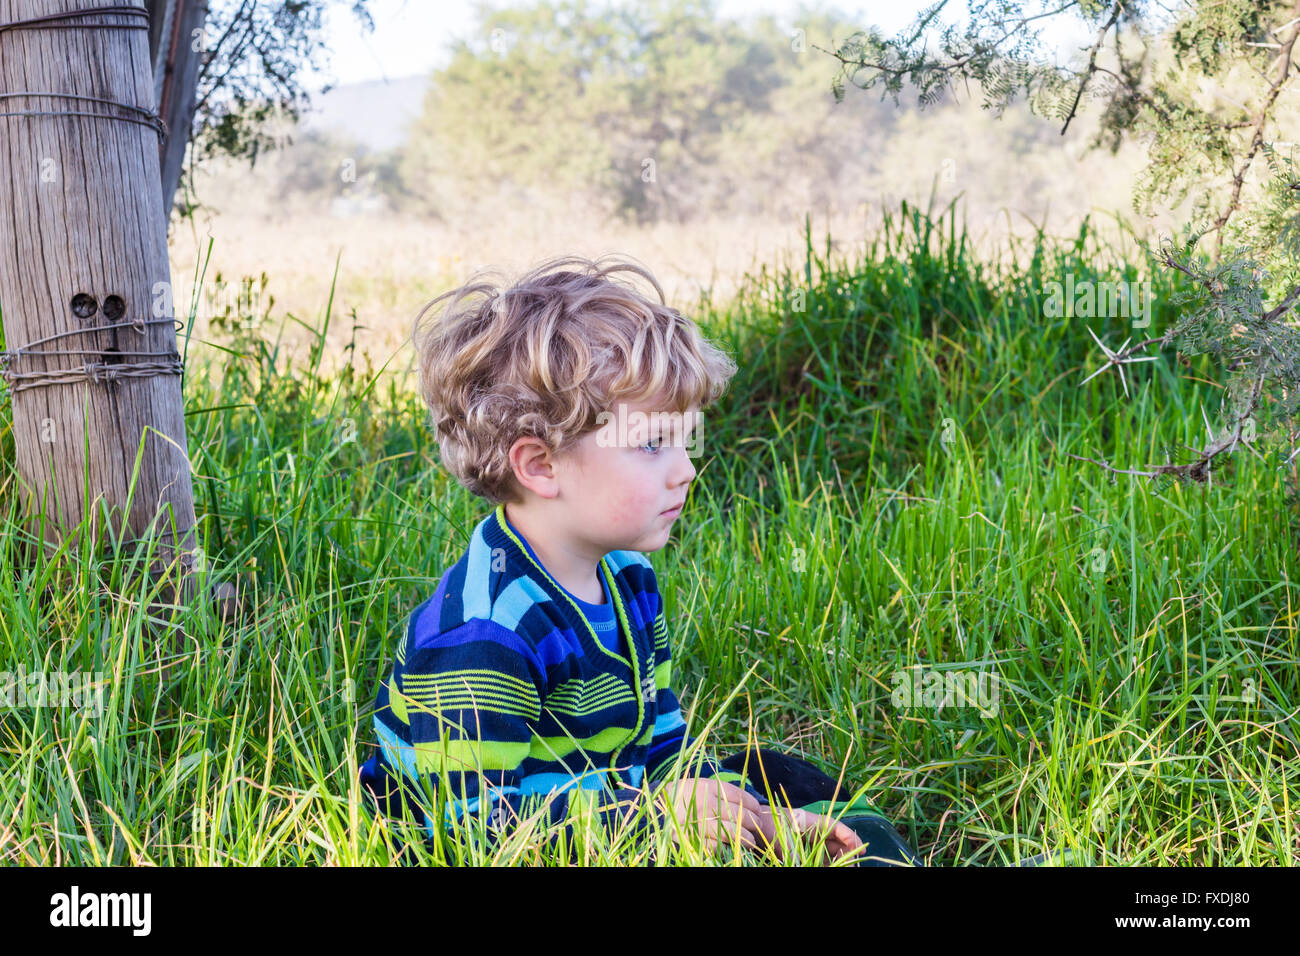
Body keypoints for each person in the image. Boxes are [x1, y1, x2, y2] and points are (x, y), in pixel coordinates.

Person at [358, 254, 865, 864]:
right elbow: (477, 830)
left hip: (605, 798)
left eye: (684, 439)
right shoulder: (485, 631)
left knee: (787, 780)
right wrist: (653, 821)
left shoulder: (627, 575)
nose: (686, 470)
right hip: (503, 833)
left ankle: (850, 842)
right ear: (541, 465)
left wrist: (727, 803)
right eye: (652, 444)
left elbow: (661, 739)